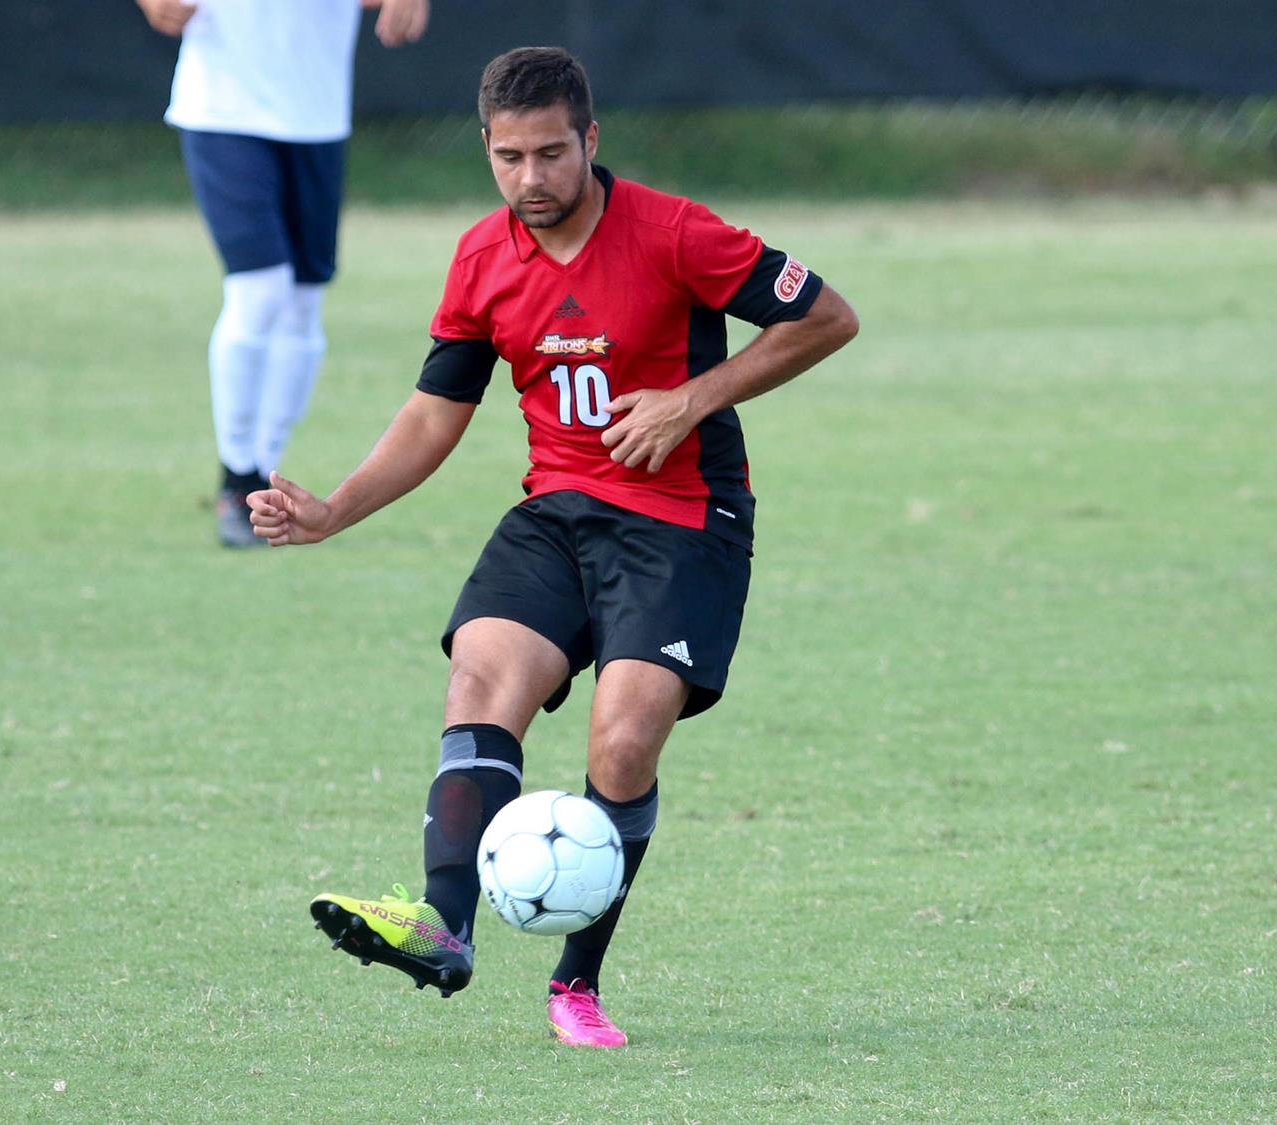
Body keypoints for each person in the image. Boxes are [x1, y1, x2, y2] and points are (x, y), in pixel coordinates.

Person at [248, 47, 858, 1047]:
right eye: (506, 158)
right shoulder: (482, 257)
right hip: (557, 513)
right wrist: (332, 511)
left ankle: (575, 985)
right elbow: (435, 413)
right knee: (481, 678)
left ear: (590, 140)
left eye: (548, 154)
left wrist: (691, 399)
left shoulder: (674, 232)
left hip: (682, 521)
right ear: (486, 148)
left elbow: (826, 318)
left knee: (620, 744)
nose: (529, 179)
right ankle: (444, 926)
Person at [135, 0, 430, 545]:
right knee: (261, 287)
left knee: (301, 301)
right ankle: (235, 478)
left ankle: (263, 481)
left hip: (314, 111)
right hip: (223, 107)